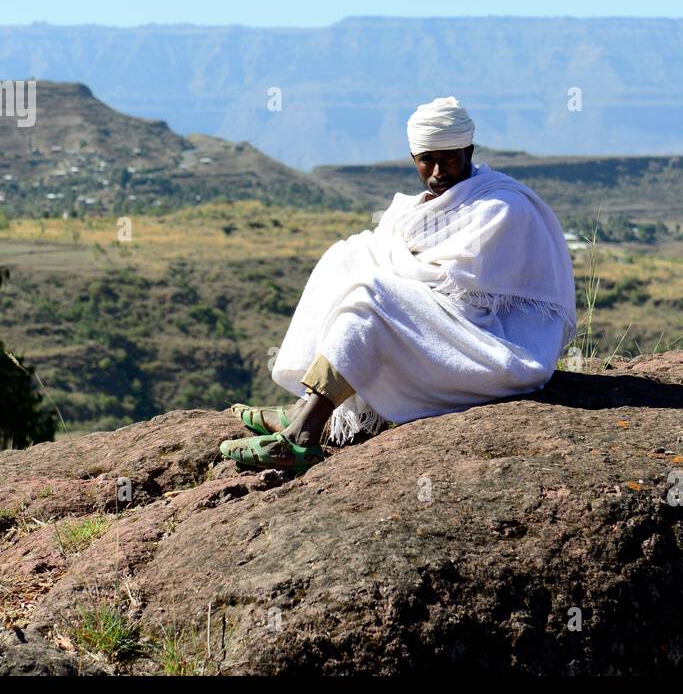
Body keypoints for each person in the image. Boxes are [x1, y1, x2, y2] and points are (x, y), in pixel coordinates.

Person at [222, 96, 577, 471]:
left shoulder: (503, 207)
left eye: (450, 158)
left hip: (490, 343)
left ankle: (302, 436)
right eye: (427, 159)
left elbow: (455, 286)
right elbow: (404, 265)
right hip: (442, 328)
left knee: (372, 295)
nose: (438, 170)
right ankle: (303, 407)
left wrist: (387, 276)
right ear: (413, 158)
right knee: (347, 256)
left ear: (469, 150)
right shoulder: (418, 207)